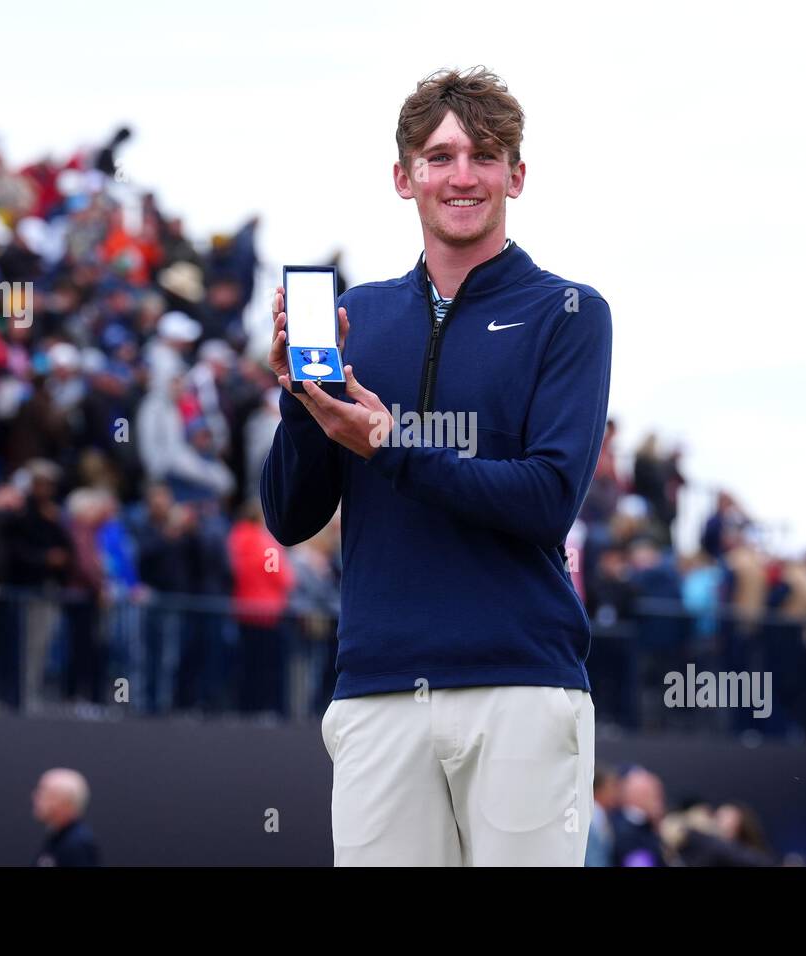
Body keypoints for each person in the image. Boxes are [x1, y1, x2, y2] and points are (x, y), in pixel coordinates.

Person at [260, 66, 612, 866]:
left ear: (516, 176)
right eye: (440, 155)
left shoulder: (570, 313)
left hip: (519, 682)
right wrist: (302, 400)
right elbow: (290, 515)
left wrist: (389, 445)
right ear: (403, 175)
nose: (463, 175)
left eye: (485, 156)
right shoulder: (362, 316)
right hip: (378, 686)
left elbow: (546, 497)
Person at [31, 768, 100, 867]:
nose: (35, 797)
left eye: (43, 793)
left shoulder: (78, 845)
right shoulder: (56, 838)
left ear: (64, 801)